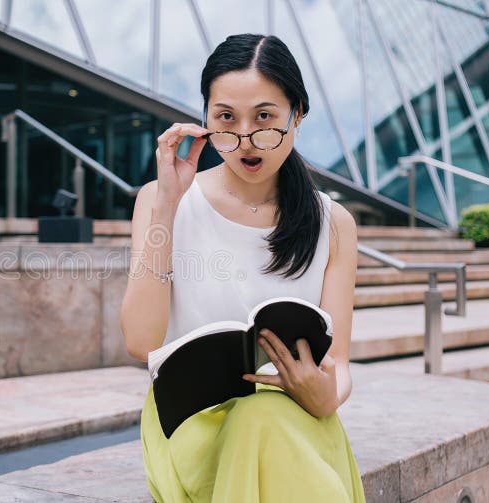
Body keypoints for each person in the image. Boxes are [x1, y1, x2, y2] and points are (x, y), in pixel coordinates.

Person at [119, 33, 366, 502]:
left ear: (298, 115)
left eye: (266, 118)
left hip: (297, 419)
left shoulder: (333, 224)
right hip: (192, 428)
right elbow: (140, 340)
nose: (246, 140)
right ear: (206, 118)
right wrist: (168, 204)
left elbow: (340, 363)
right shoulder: (162, 200)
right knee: (259, 420)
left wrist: (325, 393)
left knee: (265, 417)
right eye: (227, 119)